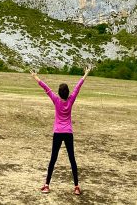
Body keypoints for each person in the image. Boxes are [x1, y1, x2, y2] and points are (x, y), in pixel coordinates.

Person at [30, 65, 91, 196]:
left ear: (59, 92)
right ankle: (76, 187)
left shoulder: (56, 100)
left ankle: (47, 185)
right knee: (72, 159)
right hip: (68, 132)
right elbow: (78, 87)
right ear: (68, 93)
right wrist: (86, 74)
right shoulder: (71, 99)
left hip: (58, 132)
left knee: (53, 158)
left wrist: (35, 77)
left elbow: (46, 88)